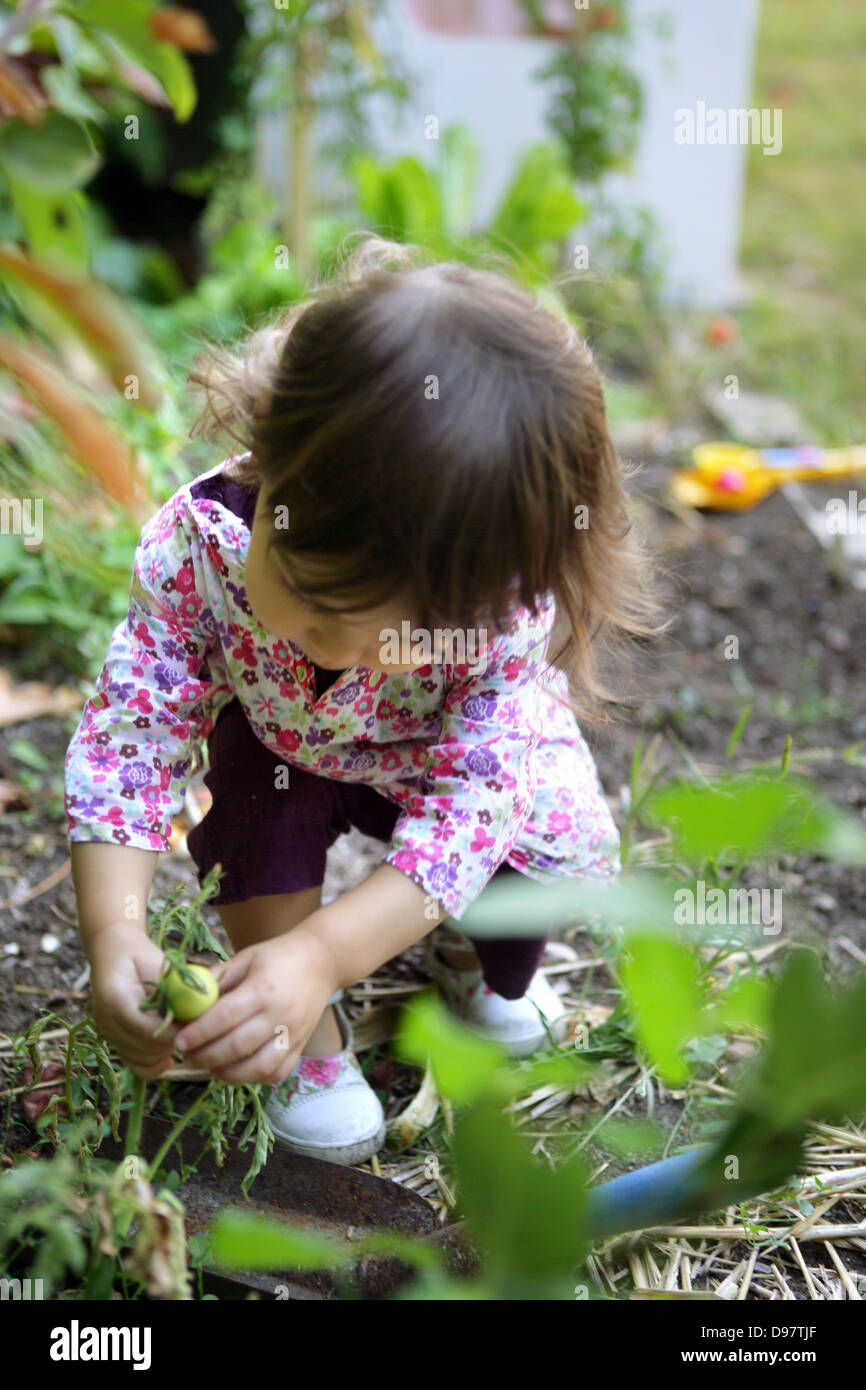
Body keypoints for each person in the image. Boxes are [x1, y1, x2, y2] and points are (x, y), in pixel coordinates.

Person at [65, 234, 660, 1166]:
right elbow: (126, 746)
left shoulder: (497, 621)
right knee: (256, 800)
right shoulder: (199, 554)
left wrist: (331, 953)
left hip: (450, 764)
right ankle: (299, 1033)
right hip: (285, 745)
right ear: (271, 455)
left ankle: (464, 960)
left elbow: (475, 806)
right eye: (300, 583)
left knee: (534, 853)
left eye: (383, 628)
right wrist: (115, 934)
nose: (330, 641)